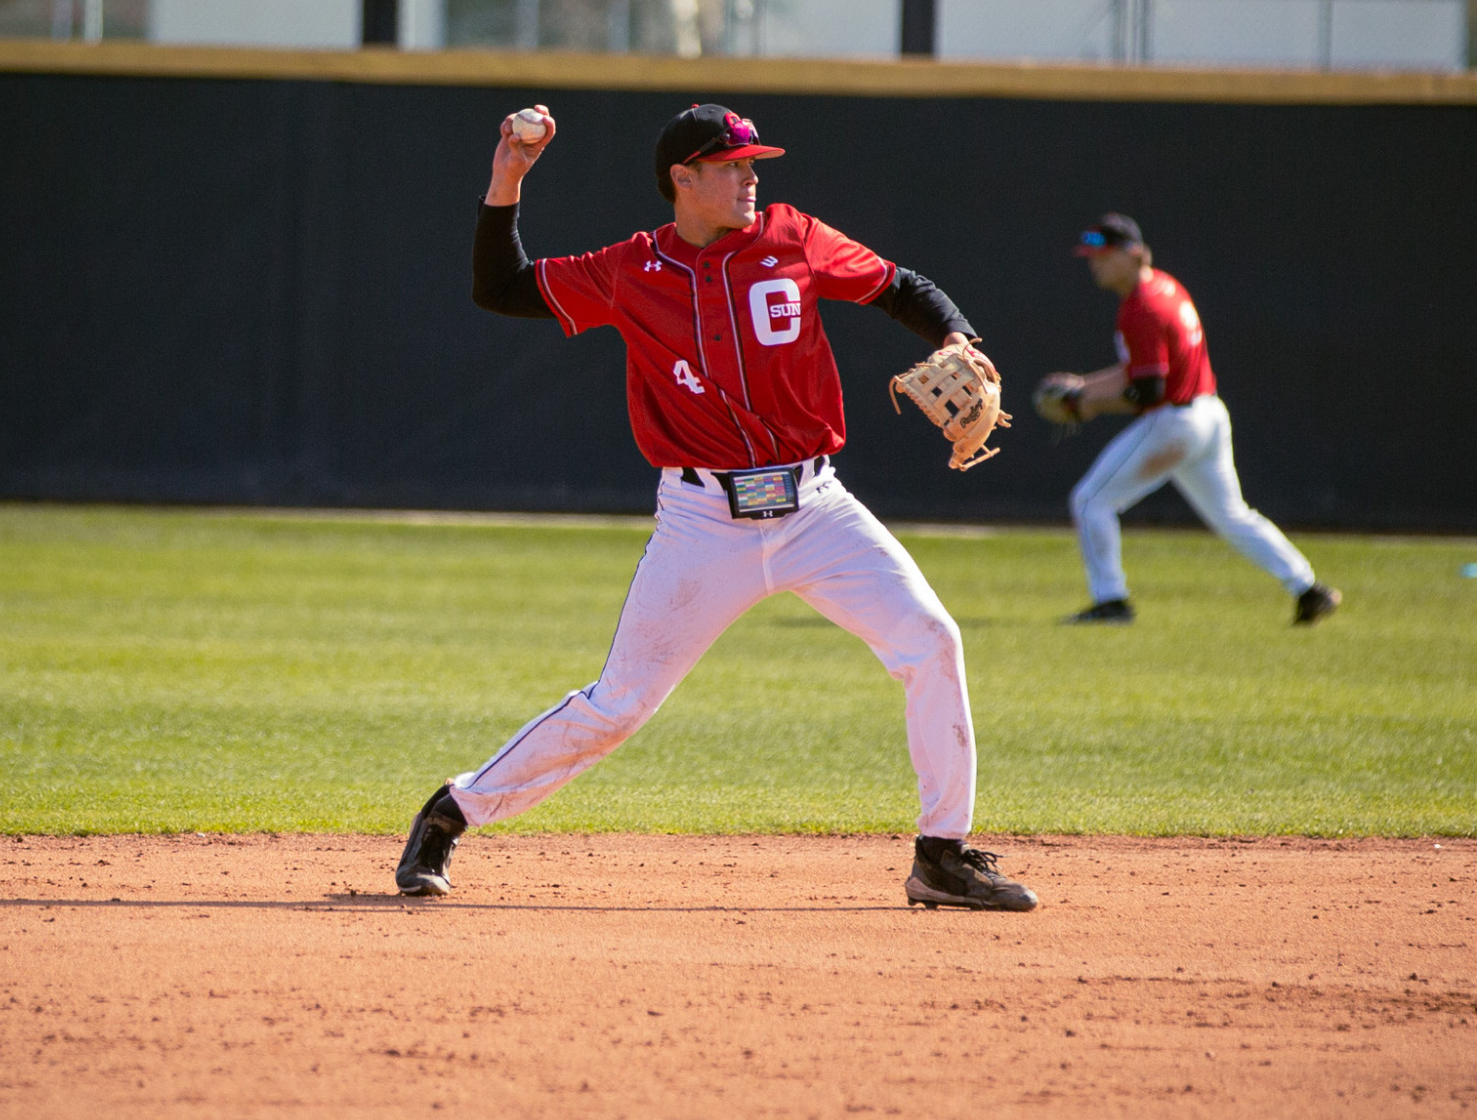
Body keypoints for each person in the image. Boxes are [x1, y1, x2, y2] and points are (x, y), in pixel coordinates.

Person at [395, 102, 1037, 912]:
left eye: (751, 162)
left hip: (815, 507)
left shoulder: (792, 236)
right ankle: (452, 813)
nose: (750, 176)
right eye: (731, 164)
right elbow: (502, 289)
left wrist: (953, 337)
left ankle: (942, 854)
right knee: (620, 705)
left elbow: (900, 286)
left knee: (931, 639)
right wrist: (506, 180)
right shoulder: (632, 269)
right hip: (704, 521)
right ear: (684, 179)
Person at [1048, 213, 1341, 627]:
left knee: (1090, 500)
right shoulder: (1165, 287)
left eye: (1105, 255)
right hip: (1208, 414)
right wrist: (1085, 387)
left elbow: (1148, 392)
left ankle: (1111, 601)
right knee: (1232, 515)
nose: (1096, 264)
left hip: (1176, 423)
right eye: (1092, 256)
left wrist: (1088, 405)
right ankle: (1308, 588)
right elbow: (1140, 371)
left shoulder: (1140, 308)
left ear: (1133, 254)